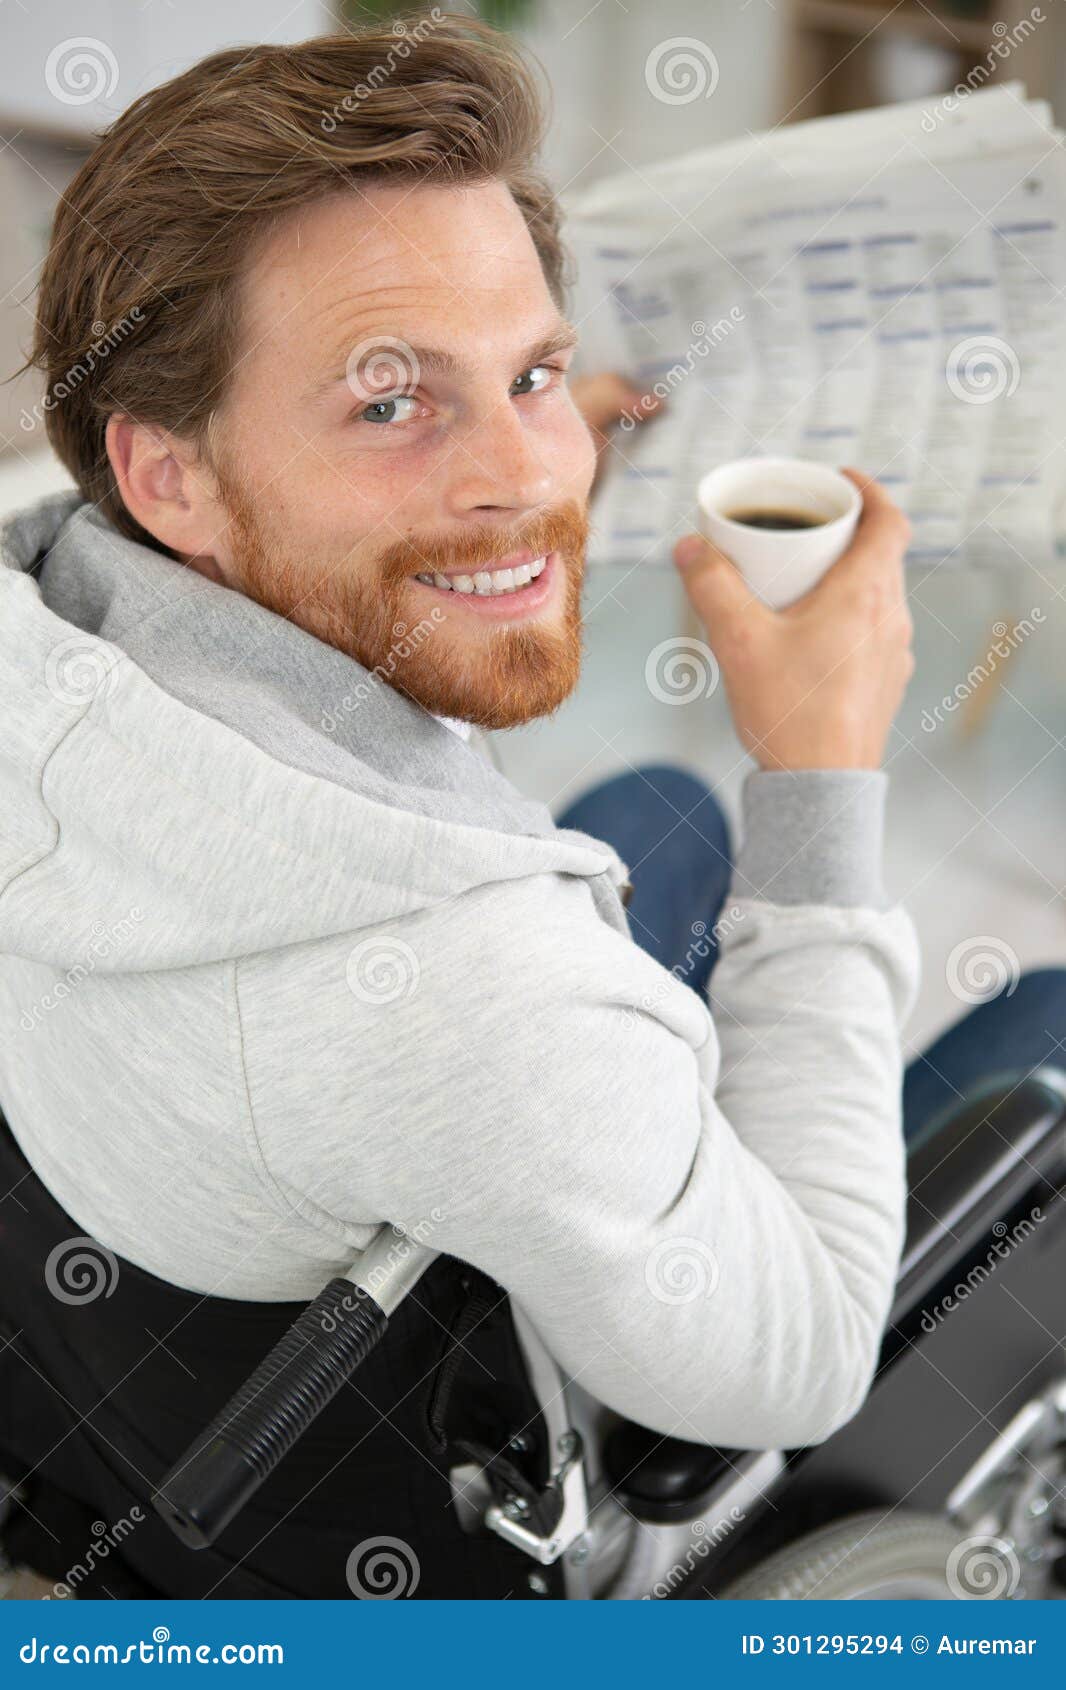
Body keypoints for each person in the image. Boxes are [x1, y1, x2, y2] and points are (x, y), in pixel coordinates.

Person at [0, 17, 933, 1601]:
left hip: (107, 1409)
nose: (532, 473)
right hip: (484, 1518)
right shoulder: (475, 997)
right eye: (388, 404)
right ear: (169, 478)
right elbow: (807, 1350)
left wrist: (453, 518)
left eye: (533, 374)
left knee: (655, 813)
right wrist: (821, 771)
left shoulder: (51, 590)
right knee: (1036, 1032)